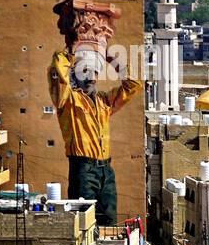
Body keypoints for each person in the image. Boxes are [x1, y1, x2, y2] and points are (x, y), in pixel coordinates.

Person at [47, 46, 141, 227]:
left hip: (106, 170)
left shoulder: (104, 101)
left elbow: (133, 85)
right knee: (84, 222)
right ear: (75, 75)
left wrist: (112, 60)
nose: (91, 77)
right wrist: (71, 52)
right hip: (83, 169)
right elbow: (59, 76)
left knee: (109, 221)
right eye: (85, 72)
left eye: (94, 72)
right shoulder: (68, 101)